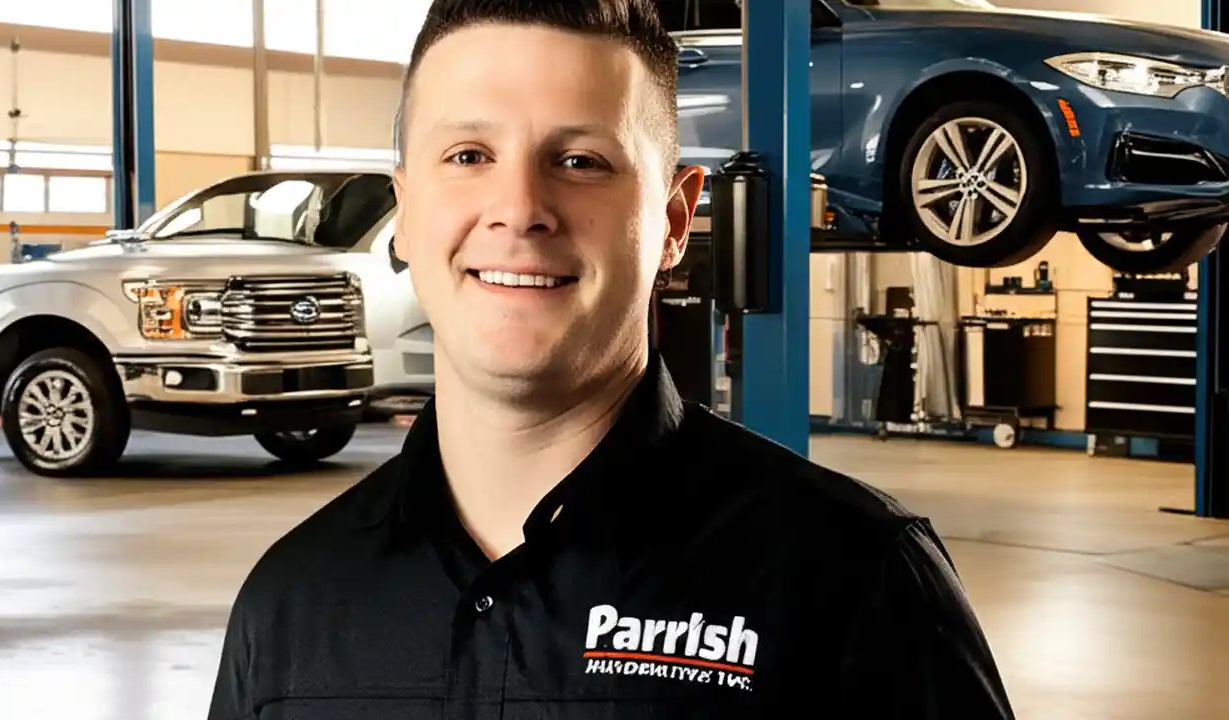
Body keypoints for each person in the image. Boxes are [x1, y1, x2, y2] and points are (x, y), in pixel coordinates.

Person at [208, 1, 1016, 717]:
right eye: (467, 156)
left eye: (580, 160)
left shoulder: (853, 580)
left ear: (673, 220)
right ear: (408, 214)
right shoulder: (291, 605)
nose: (520, 209)